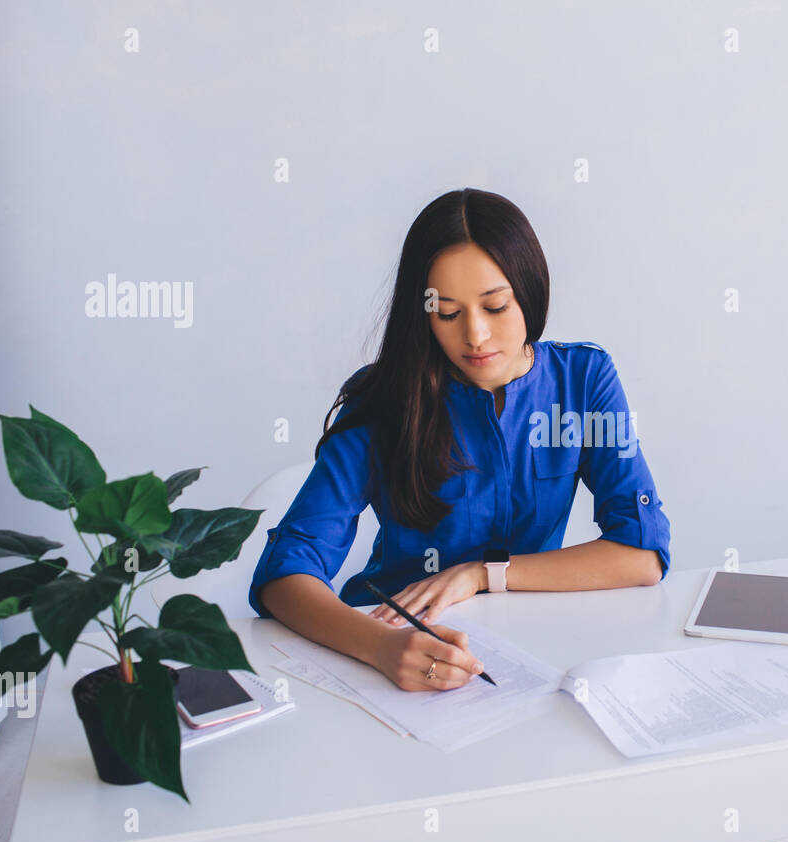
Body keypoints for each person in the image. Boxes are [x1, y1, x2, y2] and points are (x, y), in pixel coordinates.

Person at [249, 188, 672, 691]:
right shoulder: (382, 397)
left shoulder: (584, 379)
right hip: (389, 648)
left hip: (529, 650)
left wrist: (481, 573)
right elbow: (283, 576)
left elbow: (642, 555)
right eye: (447, 313)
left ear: (529, 293)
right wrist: (382, 648)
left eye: (495, 307)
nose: (475, 336)